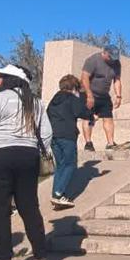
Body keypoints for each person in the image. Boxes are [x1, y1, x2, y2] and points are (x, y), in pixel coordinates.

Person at [0, 64, 52, 260]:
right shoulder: (35, 102)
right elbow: (46, 133)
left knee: (0, 209)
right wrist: (32, 147)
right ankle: (41, 258)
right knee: (29, 207)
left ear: (8, 79)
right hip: (28, 155)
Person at [45, 74, 87, 207]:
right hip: (67, 135)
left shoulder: (53, 100)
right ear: (74, 87)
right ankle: (58, 193)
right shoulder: (71, 98)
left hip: (54, 136)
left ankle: (56, 194)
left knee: (61, 165)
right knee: (70, 164)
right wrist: (91, 115)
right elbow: (80, 111)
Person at [80, 44, 123, 151]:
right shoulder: (93, 60)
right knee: (88, 118)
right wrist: (89, 95)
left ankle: (110, 143)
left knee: (108, 118)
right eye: (110, 57)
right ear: (104, 53)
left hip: (104, 95)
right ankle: (88, 143)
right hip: (89, 93)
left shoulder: (116, 64)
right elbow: (84, 78)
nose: (112, 60)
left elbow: (117, 80)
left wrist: (118, 96)